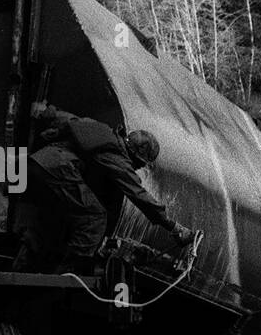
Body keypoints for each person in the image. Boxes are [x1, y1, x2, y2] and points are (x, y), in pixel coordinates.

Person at [17, 102, 195, 275]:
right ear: (136, 155)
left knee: (54, 218)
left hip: (38, 164)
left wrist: (44, 111)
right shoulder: (118, 155)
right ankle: (71, 271)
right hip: (59, 170)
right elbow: (137, 193)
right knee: (95, 217)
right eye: (140, 164)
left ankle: (22, 265)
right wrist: (172, 226)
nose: (138, 168)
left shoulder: (102, 132)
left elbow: (69, 119)